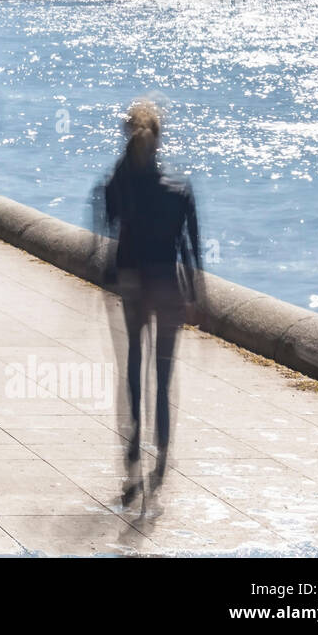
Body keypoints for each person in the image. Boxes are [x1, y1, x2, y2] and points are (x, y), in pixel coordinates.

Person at [102, 99, 203, 505]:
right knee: (163, 374)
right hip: (167, 286)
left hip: (133, 283)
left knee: (132, 366)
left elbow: (109, 217)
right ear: (159, 141)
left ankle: (133, 442)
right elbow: (193, 248)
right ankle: (161, 449)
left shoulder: (121, 182)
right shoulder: (179, 189)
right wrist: (198, 296)